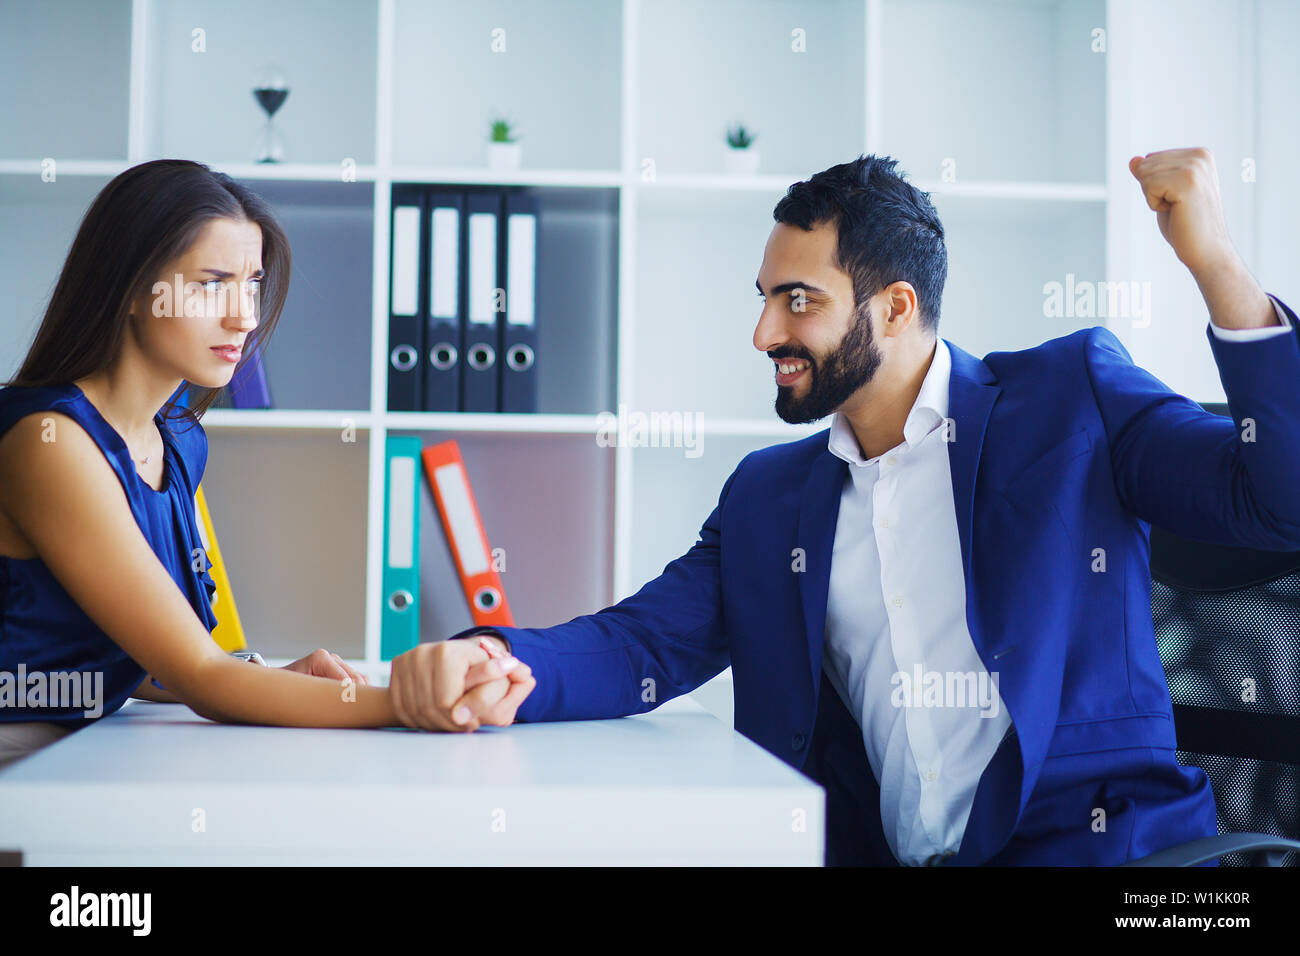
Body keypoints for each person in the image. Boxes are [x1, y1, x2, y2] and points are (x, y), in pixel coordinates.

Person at [391, 148, 1300, 865]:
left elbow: (1280, 504)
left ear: (895, 306)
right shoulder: (771, 497)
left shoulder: (1071, 402)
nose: (764, 334)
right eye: (764, 300)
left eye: (799, 302)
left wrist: (1217, 267)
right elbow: (643, 645)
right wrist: (497, 663)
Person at [0, 159, 533, 769]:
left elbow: (133, 658)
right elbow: (197, 676)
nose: (244, 317)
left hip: (87, 745)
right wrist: (405, 703)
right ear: (129, 289)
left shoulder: (177, 438)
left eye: (251, 284)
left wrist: (263, 679)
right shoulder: (51, 443)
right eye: (211, 283)